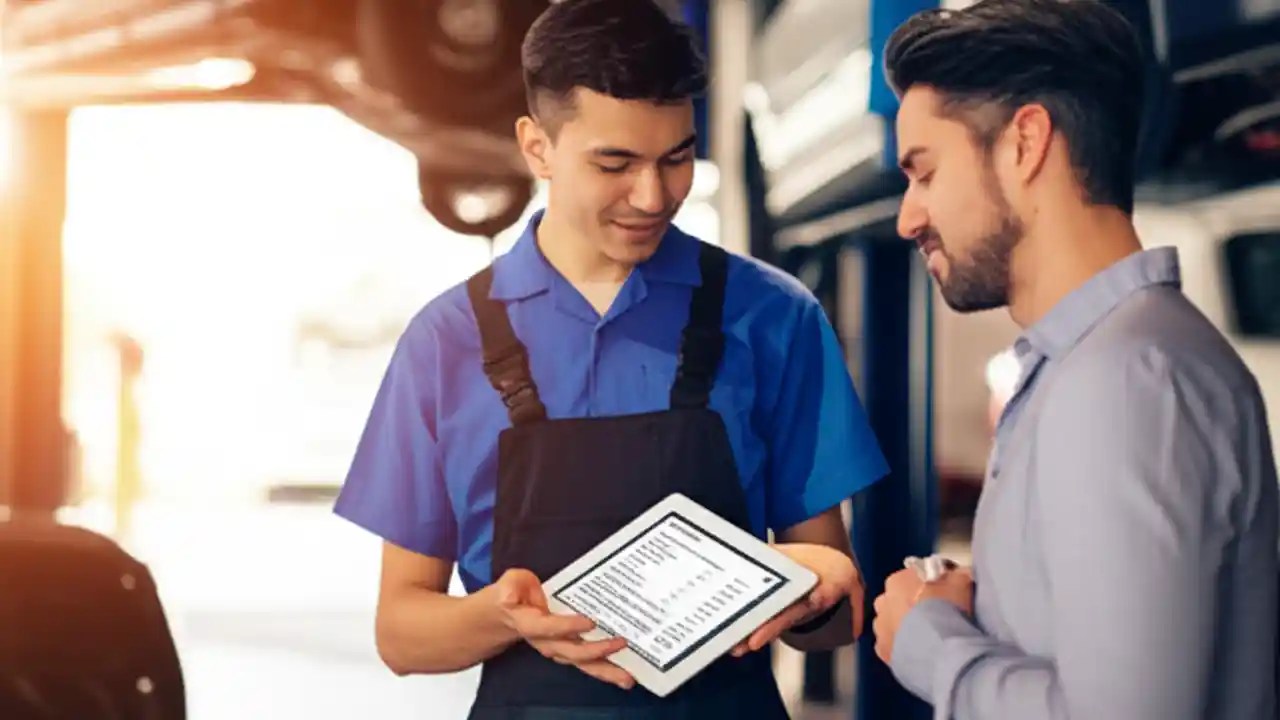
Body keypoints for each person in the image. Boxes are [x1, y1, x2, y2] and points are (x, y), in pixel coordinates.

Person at [333, 1, 889, 717]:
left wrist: (812, 591)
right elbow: (402, 636)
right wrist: (505, 616)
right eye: (615, 163)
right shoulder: (445, 343)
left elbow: (838, 618)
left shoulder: (773, 319)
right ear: (537, 147)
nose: (653, 196)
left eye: (677, 158)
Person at [869, 1, 1279, 719]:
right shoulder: (1101, 363)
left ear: (1025, 142)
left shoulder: (1125, 380)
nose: (908, 216)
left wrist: (928, 644)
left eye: (924, 173)